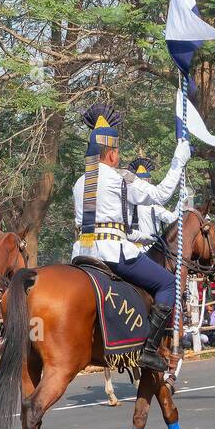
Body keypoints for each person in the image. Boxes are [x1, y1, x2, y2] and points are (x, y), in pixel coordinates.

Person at [72, 103, 191, 372]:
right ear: (111, 153)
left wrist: (139, 235)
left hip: (82, 253)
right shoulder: (118, 179)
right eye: (117, 151)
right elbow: (160, 195)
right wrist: (178, 161)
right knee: (167, 283)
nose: (118, 155)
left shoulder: (79, 182)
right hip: (114, 253)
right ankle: (149, 348)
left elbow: (100, 221)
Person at [126, 157, 179, 248]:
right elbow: (172, 219)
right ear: (147, 181)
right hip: (150, 250)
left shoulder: (127, 203)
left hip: (129, 249)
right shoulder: (153, 205)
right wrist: (181, 203)